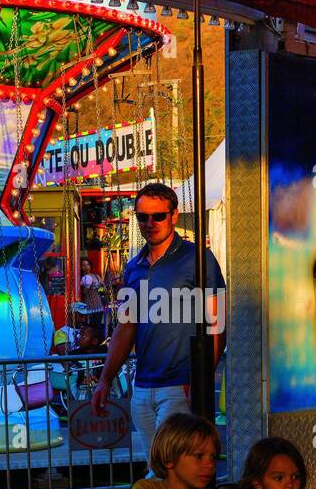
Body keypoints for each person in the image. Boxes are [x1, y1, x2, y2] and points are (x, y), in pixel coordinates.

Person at [92, 182, 225, 464]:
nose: (150, 223)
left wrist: (198, 384)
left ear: (174, 216)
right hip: (143, 386)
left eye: (158, 216)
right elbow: (126, 327)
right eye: (143, 217)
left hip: (180, 386)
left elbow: (218, 325)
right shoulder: (134, 266)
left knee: (175, 468)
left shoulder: (198, 258)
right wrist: (105, 379)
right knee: (156, 470)